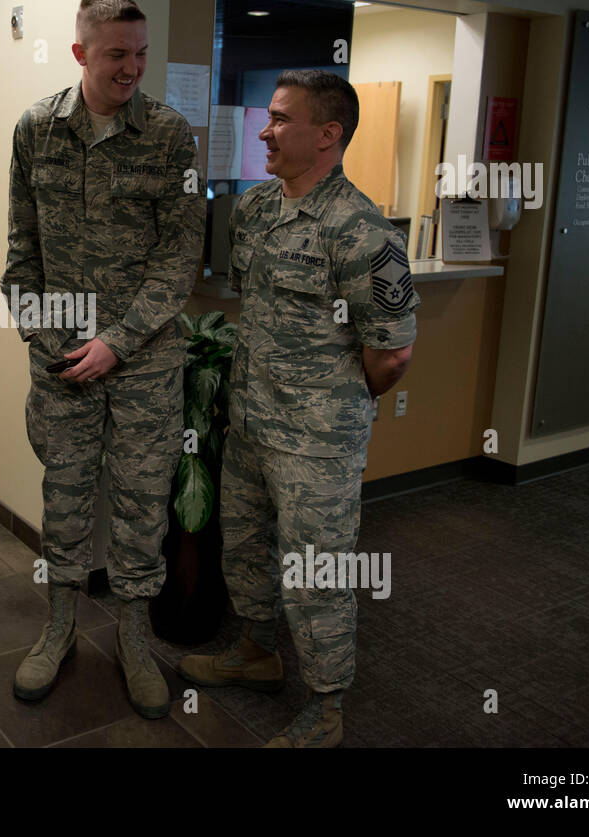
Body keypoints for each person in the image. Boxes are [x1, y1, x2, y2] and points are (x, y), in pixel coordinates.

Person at [178, 69, 419, 747]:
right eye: (271, 117)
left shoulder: (364, 231)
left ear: (328, 134)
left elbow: (392, 353)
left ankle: (325, 704)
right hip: (252, 425)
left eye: (282, 119)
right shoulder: (256, 209)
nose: (265, 129)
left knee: (316, 574)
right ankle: (256, 652)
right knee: (248, 549)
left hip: (318, 443)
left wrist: (334, 403)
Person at [1, 0, 205, 719]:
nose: (133, 68)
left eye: (142, 53)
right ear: (82, 51)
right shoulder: (36, 128)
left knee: (141, 507)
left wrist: (115, 343)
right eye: (118, 54)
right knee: (64, 499)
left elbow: (181, 259)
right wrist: (42, 333)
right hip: (63, 364)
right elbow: (21, 250)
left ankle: (134, 635)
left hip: (144, 364)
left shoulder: (171, 137)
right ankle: (57, 627)